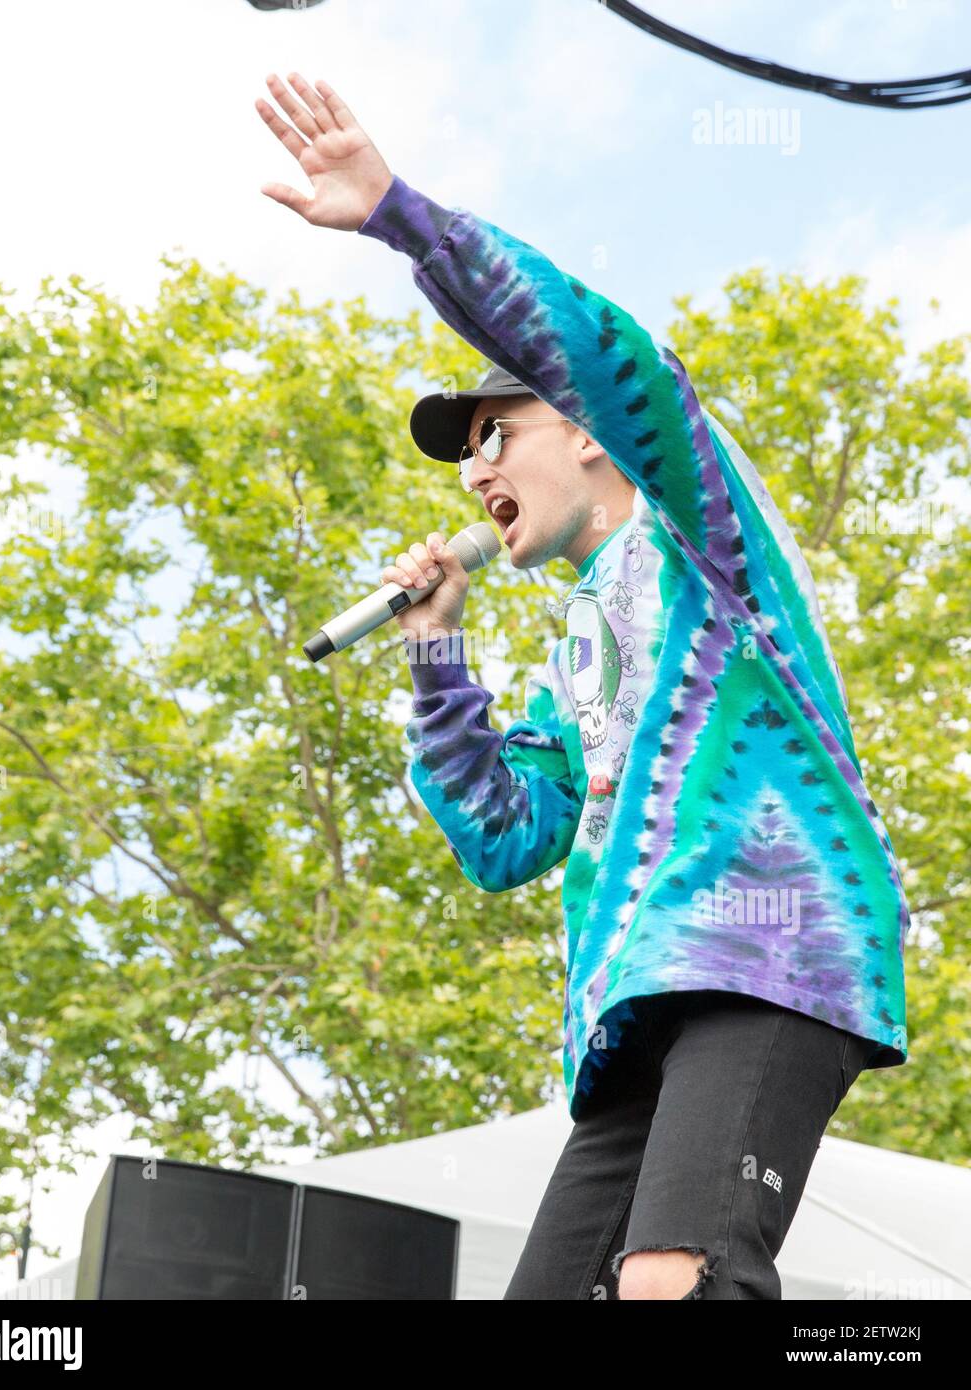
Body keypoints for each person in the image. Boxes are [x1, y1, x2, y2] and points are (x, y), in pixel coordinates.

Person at [255, 72, 910, 1301]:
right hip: (635, 1004)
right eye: (461, 458)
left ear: (592, 431)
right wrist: (436, 650)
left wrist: (401, 214)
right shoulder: (576, 647)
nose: (471, 471)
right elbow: (508, 837)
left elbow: (597, 347)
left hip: (765, 945)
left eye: (491, 432)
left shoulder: (704, 532)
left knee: (674, 1279)